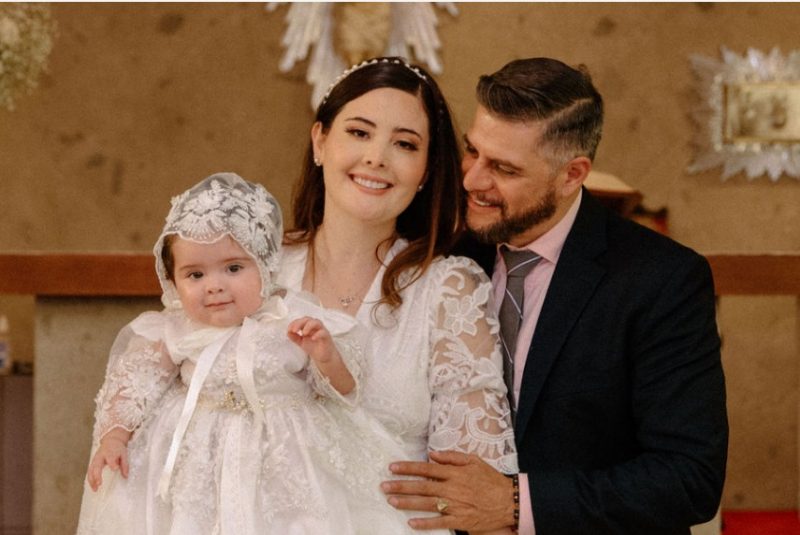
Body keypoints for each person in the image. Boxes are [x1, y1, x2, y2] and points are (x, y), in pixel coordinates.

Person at [382, 57, 728, 535]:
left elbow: (690, 478)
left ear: (572, 174)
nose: (472, 180)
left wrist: (516, 504)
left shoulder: (662, 280)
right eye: (472, 151)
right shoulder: (441, 252)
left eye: (503, 168)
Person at [76, 172, 450, 534]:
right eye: (195, 275)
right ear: (172, 281)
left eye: (233, 268)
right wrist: (114, 436)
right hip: (201, 468)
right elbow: (135, 381)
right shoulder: (176, 330)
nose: (214, 286)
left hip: (284, 463)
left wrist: (324, 354)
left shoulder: (290, 319)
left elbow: (343, 390)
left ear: (265, 267)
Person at [277, 57, 518, 533]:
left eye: (404, 144)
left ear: (427, 169)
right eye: (360, 133)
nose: (377, 158)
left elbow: (475, 486)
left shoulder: (449, 289)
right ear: (320, 140)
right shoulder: (253, 266)